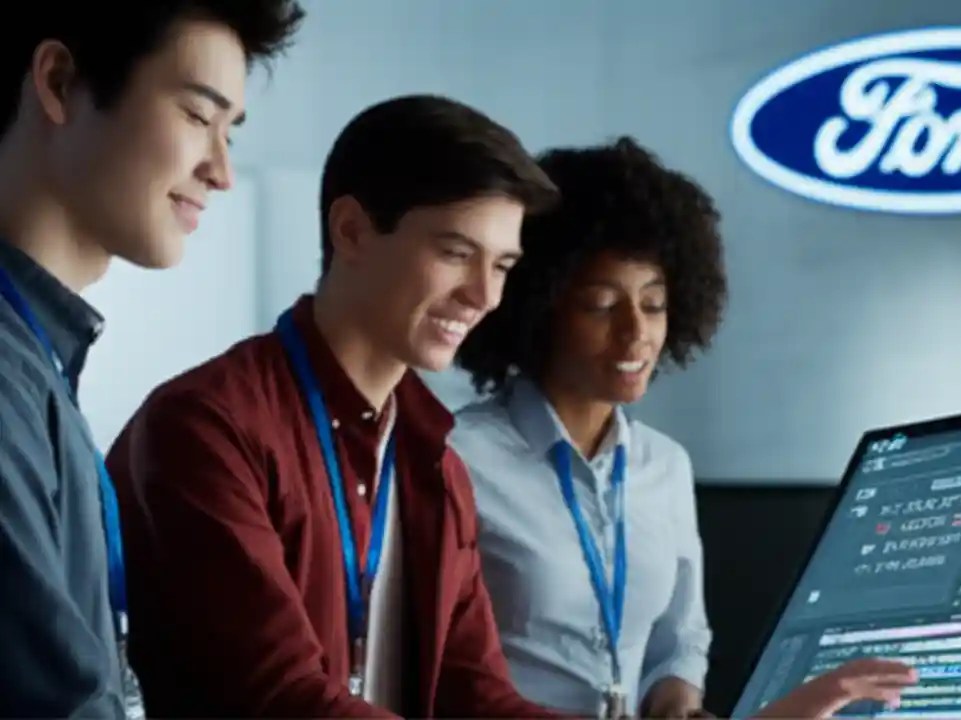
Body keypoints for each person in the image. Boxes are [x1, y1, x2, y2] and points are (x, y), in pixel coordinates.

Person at [104, 94, 564, 718]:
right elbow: (280, 700)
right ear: (351, 230)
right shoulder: (208, 427)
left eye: (502, 265)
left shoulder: (436, 463)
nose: (484, 295)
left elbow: (476, 699)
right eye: (456, 253)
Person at [449, 137, 917, 718]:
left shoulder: (664, 466)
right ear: (537, 309)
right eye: (599, 305)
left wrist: (678, 704)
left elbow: (679, 644)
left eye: (653, 304)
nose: (635, 333)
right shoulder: (458, 458)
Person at [0, 2, 303, 717]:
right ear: (60, 81)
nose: (223, 172)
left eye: (231, 133)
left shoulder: (41, 357)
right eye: (200, 118)